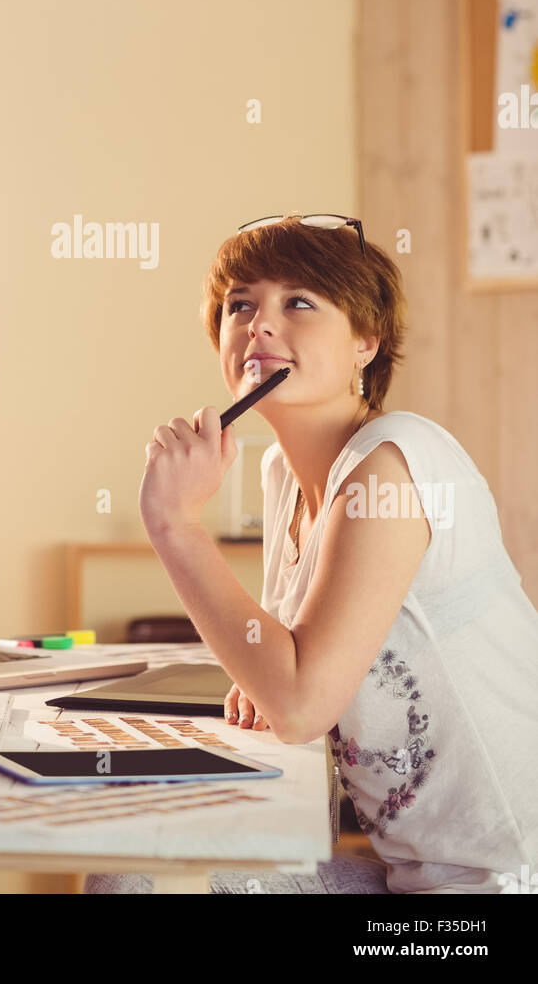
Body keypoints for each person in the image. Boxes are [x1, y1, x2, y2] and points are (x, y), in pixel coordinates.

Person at [84, 214, 538, 894]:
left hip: (500, 888)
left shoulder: (393, 464)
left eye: (298, 302)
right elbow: (291, 679)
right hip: (411, 881)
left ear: (366, 341)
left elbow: (299, 704)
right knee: (136, 836)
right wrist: (268, 677)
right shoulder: (284, 478)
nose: (259, 325)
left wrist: (176, 524)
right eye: (240, 305)